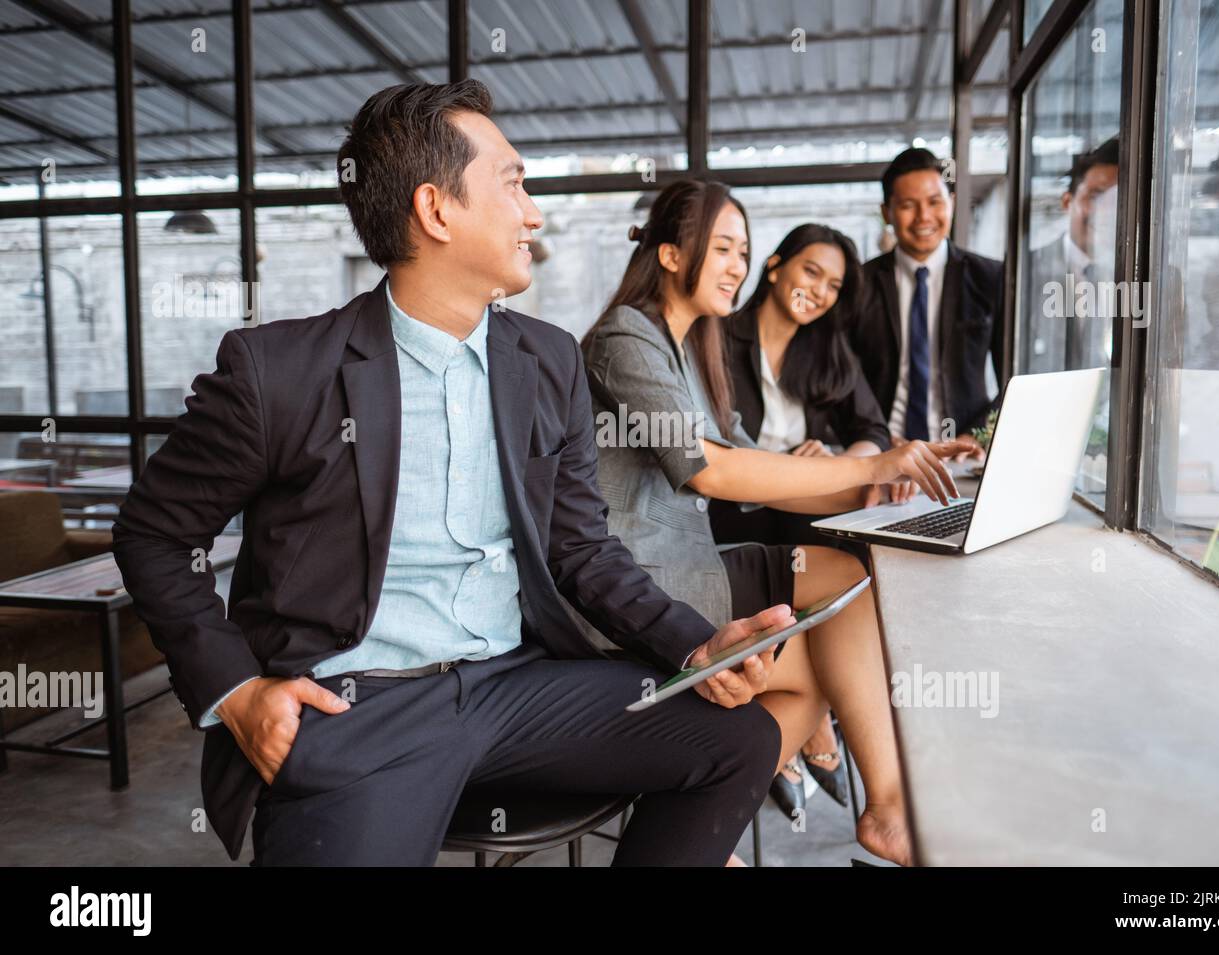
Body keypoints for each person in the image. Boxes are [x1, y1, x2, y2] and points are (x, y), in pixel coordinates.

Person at [111, 80, 797, 868]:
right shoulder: (280, 372)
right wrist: (236, 694)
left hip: (516, 688)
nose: (533, 212)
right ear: (437, 211)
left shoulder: (546, 361)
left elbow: (581, 549)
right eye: (513, 183)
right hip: (359, 708)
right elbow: (153, 536)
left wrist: (694, 646)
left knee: (740, 735)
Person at [580, 178, 978, 865]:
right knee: (829, 659)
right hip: (635, 583)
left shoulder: (696, 348)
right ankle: (709, 832)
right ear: (671, 254)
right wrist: (871, 466)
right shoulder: (626, 339)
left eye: (743, 249)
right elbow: (715, 471)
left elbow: (767, 482)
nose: (736, 264)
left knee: (847, 587)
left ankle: (857, 809)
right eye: (724, 248)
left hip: (691, 563)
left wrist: (888, 490)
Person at [708, 223, 903, 813]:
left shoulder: (827, 348)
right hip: (728, 516)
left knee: (847, 532)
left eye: (834, 285)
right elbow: (713, 461)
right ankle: (815, 723)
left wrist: (844, 464)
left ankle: (815, 715)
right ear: (774, 266)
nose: (819, 291)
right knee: (825, 538)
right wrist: (794, 472)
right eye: (811, 271)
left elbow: (872, 432)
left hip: (799, 519)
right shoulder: (715, 335)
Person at [853, 147, 1005, 449]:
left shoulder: (991, 277)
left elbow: (1015, 376)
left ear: (950, 202)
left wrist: (978, 436)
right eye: (908, 205)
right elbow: (843, 377)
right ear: (887, 212)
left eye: (935, 202)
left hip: (962, 453)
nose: (924, 217)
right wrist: (875, 439)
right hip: (880, 450)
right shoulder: (858, 283)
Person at [1025, 137, 1120, 373]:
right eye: (1096, 196)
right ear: (1068, 202)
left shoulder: (1140, 278)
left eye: (1117, 199)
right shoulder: (1025, 270)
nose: (1105, 212)